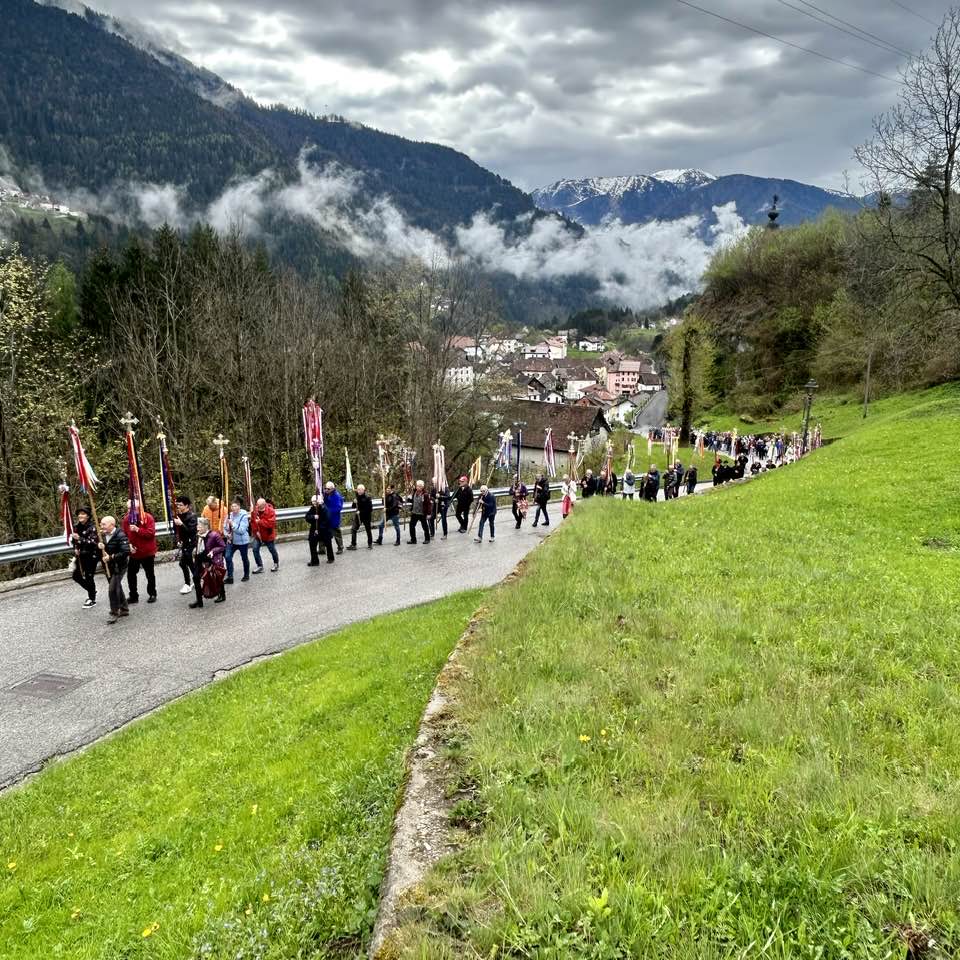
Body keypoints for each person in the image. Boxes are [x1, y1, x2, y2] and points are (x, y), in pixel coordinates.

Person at [122, 501, 157, 604]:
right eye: (127, 509)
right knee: (131, 574)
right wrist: (128, 545)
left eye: (130, 509)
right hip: (134, 552)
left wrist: (138, 529)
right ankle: (133, 596)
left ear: (137, 509)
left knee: (150, 574)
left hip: (147, 552)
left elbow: (151, 534)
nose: (128, 511)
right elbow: (124, 535)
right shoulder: (126, 519)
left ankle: (152, 594)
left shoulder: (147, 517)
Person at [98, 515, 129, 624]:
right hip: (109, 567)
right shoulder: (101, 535)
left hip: (119, 566)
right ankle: (124, 609)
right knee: (117, 586)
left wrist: (111, 557)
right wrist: (99, 546)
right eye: (101, 524)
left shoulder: (121, 535)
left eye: (104, 524)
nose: (101, 526)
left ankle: (114, 612)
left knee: (112, 589)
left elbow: (125, 552)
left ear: (112, 525)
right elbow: (101, 549)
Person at [190, 516, 226, 608]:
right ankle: (199, 601)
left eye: (199, 525)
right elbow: (197, 545)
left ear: (206, 526)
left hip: (211, 560)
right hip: (199, 559)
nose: (197, 527)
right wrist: (194, 550)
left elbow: (222, 546)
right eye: (198, 525)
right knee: (195, 578)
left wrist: (213, 551)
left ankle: (222, 595)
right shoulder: (198, 535)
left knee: (216, 577)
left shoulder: (214, 535)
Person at [70, 505, 100, 608]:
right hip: (81, 555)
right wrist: (75, 547)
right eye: (79, 514)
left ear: (87, 516)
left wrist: (80, 539)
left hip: (92, 555)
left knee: (89, 576)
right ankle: (92, 590)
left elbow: (93, 542)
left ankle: (92, 599)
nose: (80, 515)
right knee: (76, 575)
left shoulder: (92, 527)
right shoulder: (76, 526)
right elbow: (74, 541)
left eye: (83, 514)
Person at [173, 495, 198, 595]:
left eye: (180, 505)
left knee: (188, 564)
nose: (178, 506)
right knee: (184, 563)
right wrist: (178, 540)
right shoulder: (180, 515)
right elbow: (179, 532)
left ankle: (192, 582)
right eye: (177, 505)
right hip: (184, 544)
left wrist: (181, 524)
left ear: (186, 505)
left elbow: (191, 532)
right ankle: (193, 581)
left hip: (191, 544)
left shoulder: (192, 516)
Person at [223, 498, 251, 584]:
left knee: (244, 558)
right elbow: (224, 528)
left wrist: (232, 524)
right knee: (227, 557)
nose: (233, 508)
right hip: (231, 541)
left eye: (235, 506)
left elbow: (242, 530)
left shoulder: (243, 515)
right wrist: (227, 535)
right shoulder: (229, 515)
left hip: (242, 541)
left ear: (239, 507)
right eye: (232, 506)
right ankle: (230, 577)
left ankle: (246, 574)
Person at [251, 498, 279, 573]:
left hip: (268, 535)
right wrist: (255, 531)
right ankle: (260, 566)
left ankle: (276, 564)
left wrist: (260, 522)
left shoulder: (271, 511)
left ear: (264, 505)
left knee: (272, 550)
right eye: (256, 505)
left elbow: (270, 524)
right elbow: (253, 522)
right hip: (258, 535)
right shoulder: (255, 510)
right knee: (255, 549)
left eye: (258, 505)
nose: (257, 506)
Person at [306, 494, 333, 564]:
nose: (314, 503)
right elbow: (307, 517)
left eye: (315, 501)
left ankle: (331, 558)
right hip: (314, 529)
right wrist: (313, 517)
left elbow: (327, 520)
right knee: (312, 543)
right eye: (313, 502)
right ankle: (314, 561)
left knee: (328, 544)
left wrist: (319, 529)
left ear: (319, 502)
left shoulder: (324, 509)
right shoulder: (312, 508)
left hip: (324, 530)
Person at [348, 483, 374, 550]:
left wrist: (361, 512)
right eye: (358, 489)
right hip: (358, 517)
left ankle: (370, 544)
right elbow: (353, 506)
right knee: (353, 529)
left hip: (366, 517)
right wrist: (354, 502)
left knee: (368, 530)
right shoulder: (357, 496)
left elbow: (370, 509)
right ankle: (353, 545)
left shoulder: (368, 497)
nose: (358, 491)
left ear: (363, 490)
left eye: (360, 490)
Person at [408, 480, 432, 544]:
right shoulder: (414, 492)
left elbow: (429, 504)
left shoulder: (425, 494)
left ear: (422, 487)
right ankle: (413, 540)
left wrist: (429, 514)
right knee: (411, 526)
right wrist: (408, 499)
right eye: (417, 486)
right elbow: (413, 501)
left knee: (425, 526)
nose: (418, 487)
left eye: (419, 486)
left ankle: (427, 539)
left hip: (422, 513)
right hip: (414, 512)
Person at [323, 482, 344, 554]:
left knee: (336, 534)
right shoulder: (325, 494)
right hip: (326, 518)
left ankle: (340, 547)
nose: (326, 490)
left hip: (334, 518)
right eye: (325, 488)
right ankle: (322, 549)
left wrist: (328, 511)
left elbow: (339, 507)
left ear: (332, 489)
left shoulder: (336, 496)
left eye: (328, 489)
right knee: (323, 533)